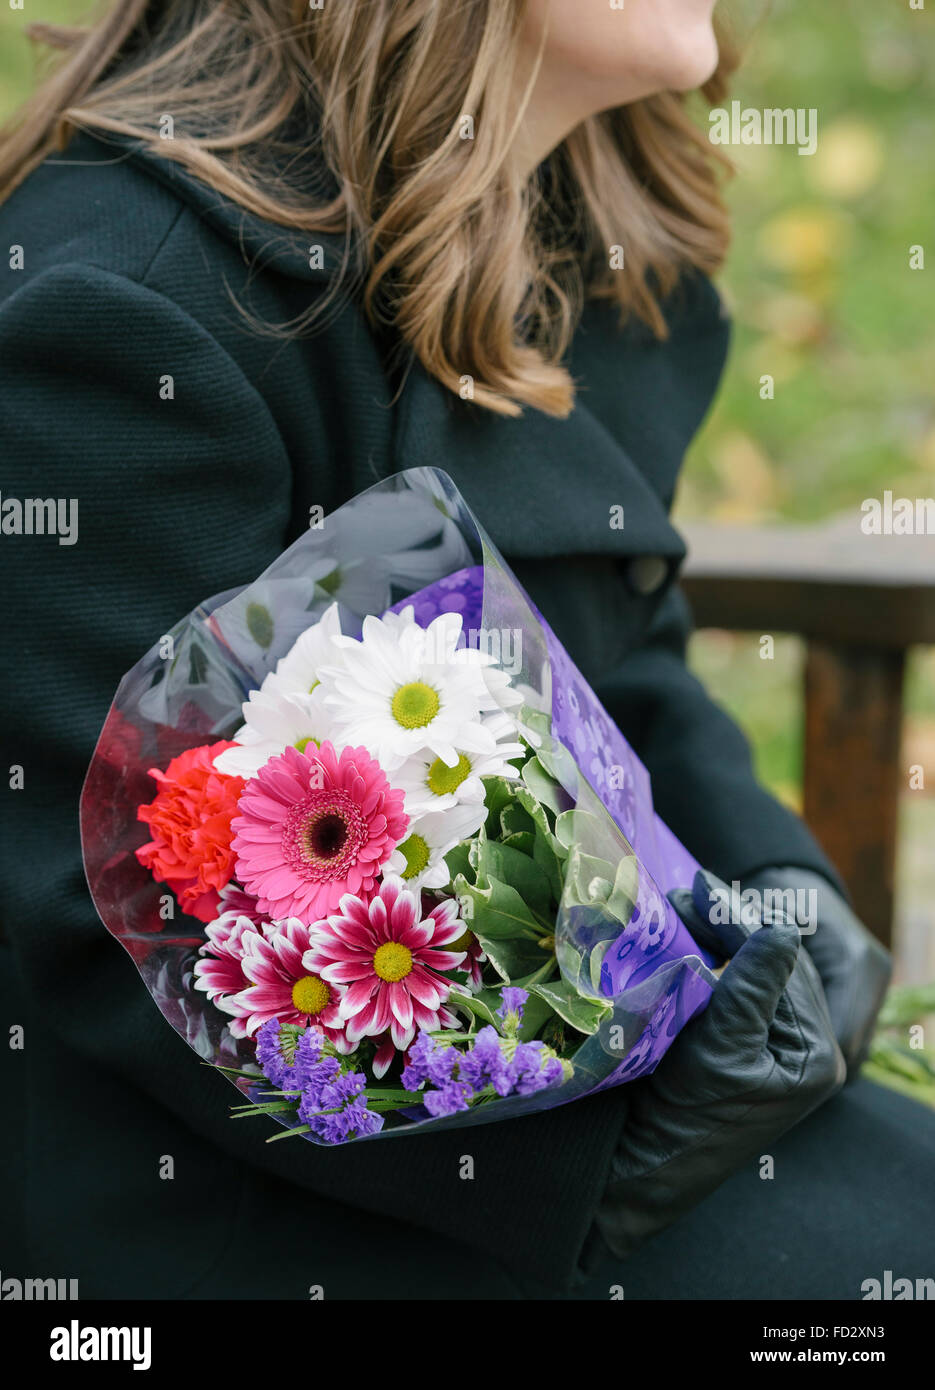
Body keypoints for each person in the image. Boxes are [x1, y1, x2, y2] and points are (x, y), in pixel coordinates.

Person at [0, 0, 928, 1301]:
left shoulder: (551, 236)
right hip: (266, 1206)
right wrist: (602, 1152)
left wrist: (782, 890)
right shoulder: (125, 307)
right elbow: (101, 913)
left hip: (608, 1083)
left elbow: (623, 662)